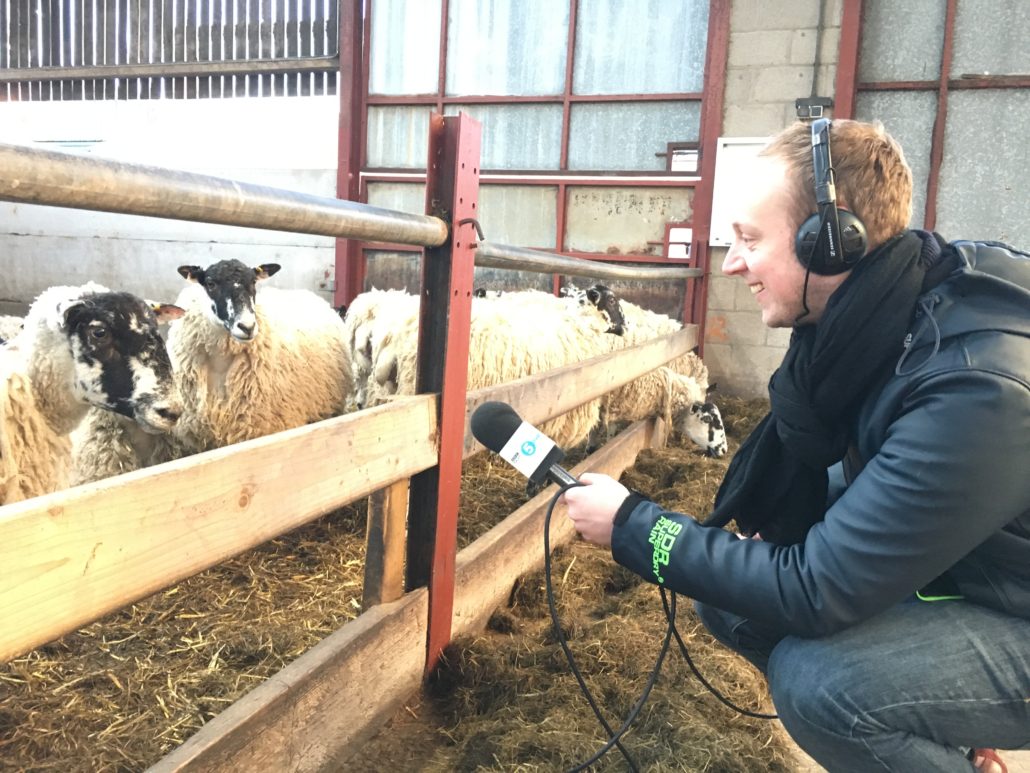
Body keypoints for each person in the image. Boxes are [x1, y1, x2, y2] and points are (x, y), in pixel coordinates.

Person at [561, 118, 1030, 773]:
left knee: (822, 688)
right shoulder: (882, 314)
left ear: (830, 244)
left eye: (750, 239)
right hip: (984, 567)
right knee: (732, 599)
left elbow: (816, 590)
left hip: (1012, 605)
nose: (732, 262)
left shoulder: (973, 388)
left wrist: (632, 525)